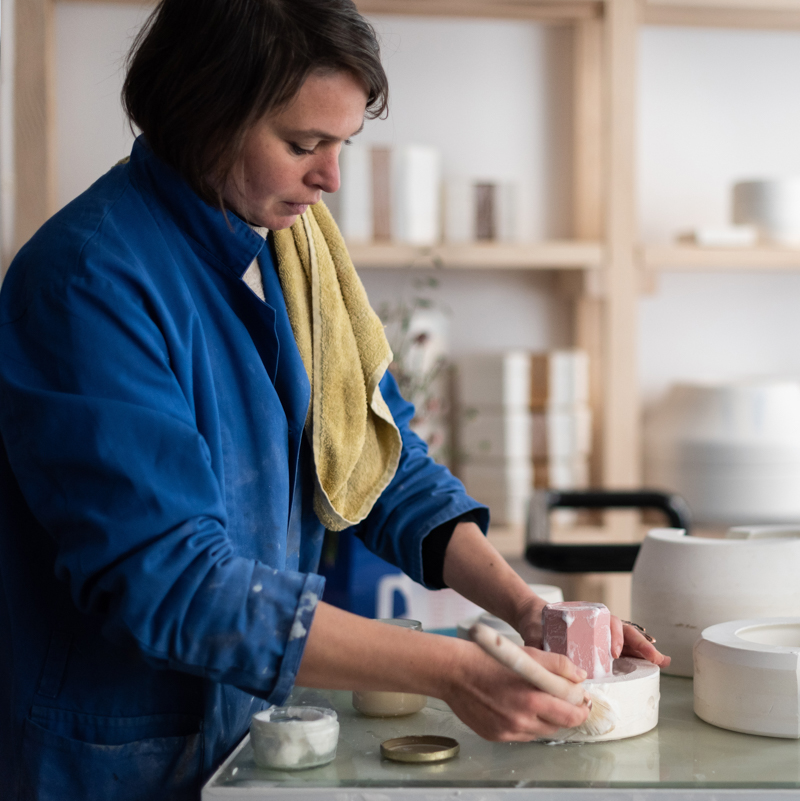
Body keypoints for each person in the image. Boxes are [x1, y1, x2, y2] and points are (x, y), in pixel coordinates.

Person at [0, 1, 666, 798]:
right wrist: (451, 667)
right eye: (303, 144)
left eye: (342, 143)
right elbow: (172, 580)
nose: (331, 178)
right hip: (117, 760)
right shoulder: (89, 283)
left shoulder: (289, 252)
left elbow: (376, 458)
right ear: (202, 114)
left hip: (247, 736)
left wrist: (524, 609)